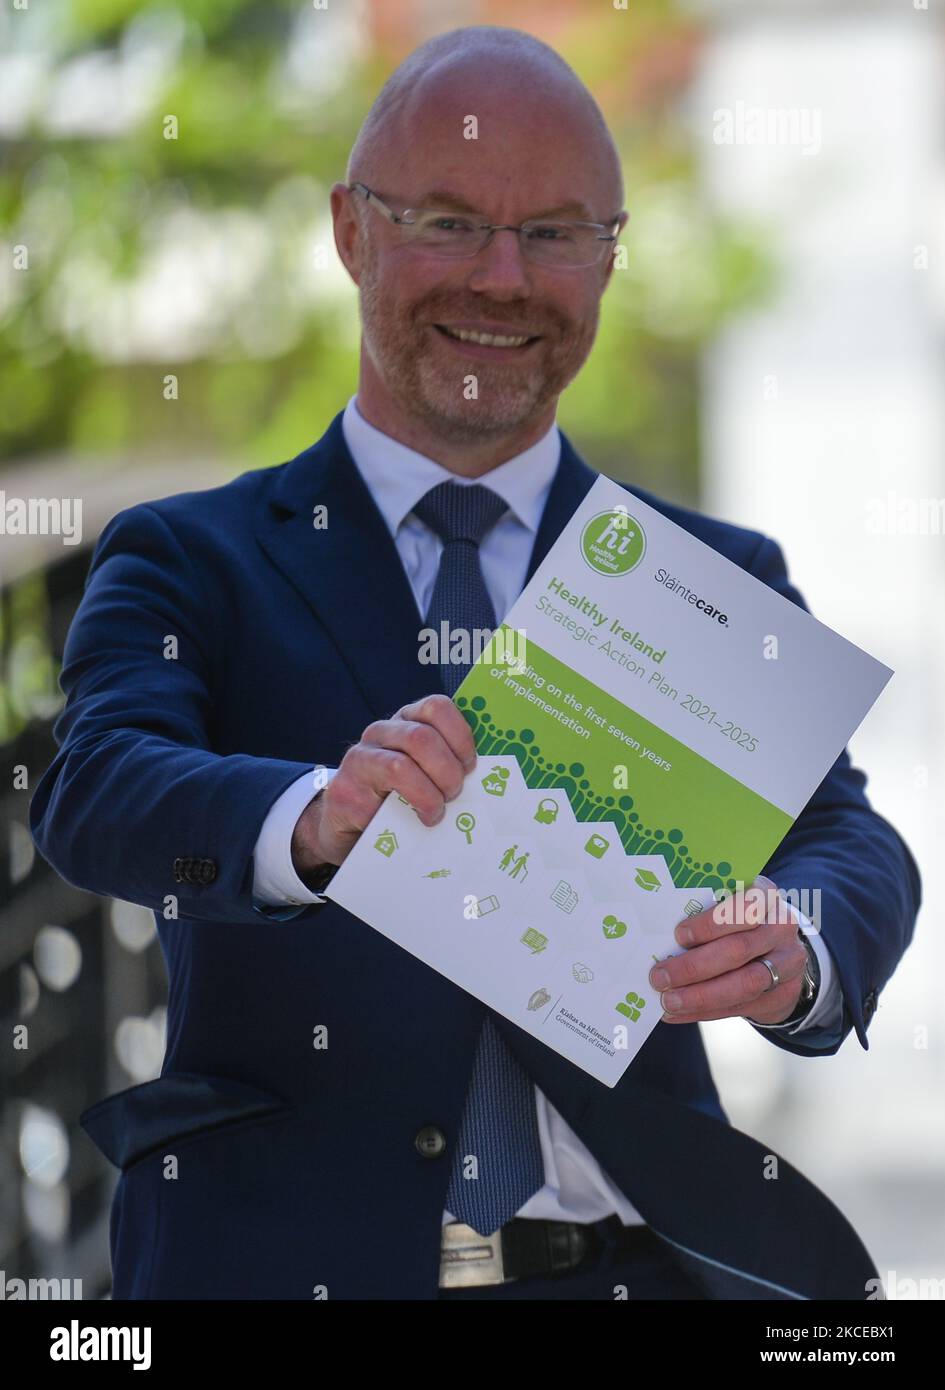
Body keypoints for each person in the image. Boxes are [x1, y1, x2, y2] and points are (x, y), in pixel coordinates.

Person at [30, 26, 920, 1301]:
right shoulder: (188, 554)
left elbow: (850, 841)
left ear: (610, 261)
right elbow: (96, 789)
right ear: (351, 231)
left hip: (637, 1275)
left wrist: (802, 946)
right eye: (449, 221)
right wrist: (314, 819)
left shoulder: (705, 577)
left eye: (558, 234)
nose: (504, 279)